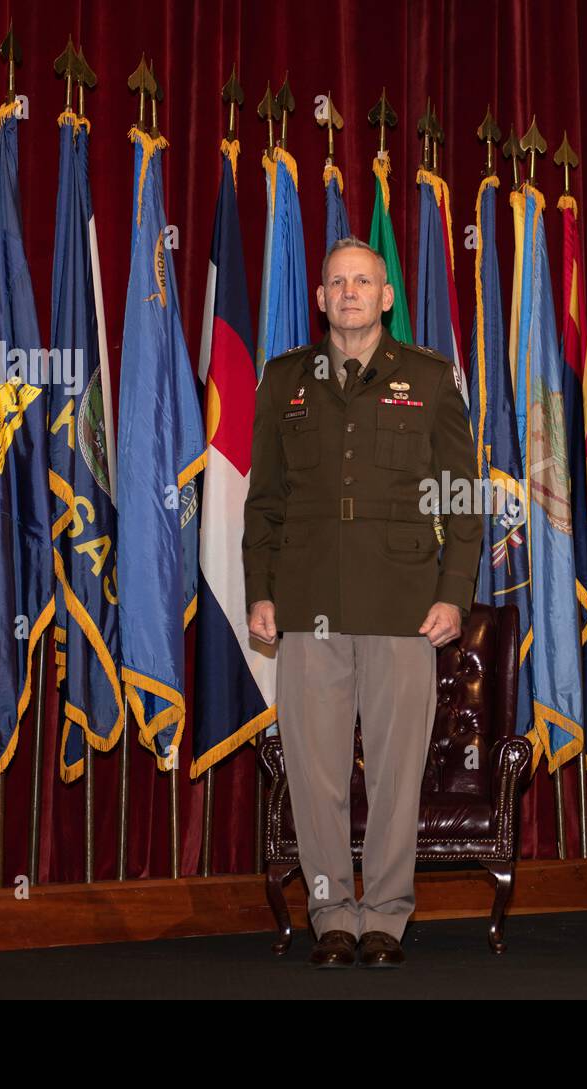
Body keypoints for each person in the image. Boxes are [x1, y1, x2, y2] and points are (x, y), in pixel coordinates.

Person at [243, 236, 480, 968]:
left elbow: (463, 502)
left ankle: (385, 915)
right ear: (320, 298)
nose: (349, 292)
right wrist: (260, 591)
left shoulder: (432, 379)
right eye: (337, 282)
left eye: (364, 281)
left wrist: (454, 593)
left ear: (386, 296)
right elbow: (265, 504)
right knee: (313, 776)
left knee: (395, 770)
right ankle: (330, 913)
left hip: (404, 604)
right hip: (308, 601)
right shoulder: (283, 379)